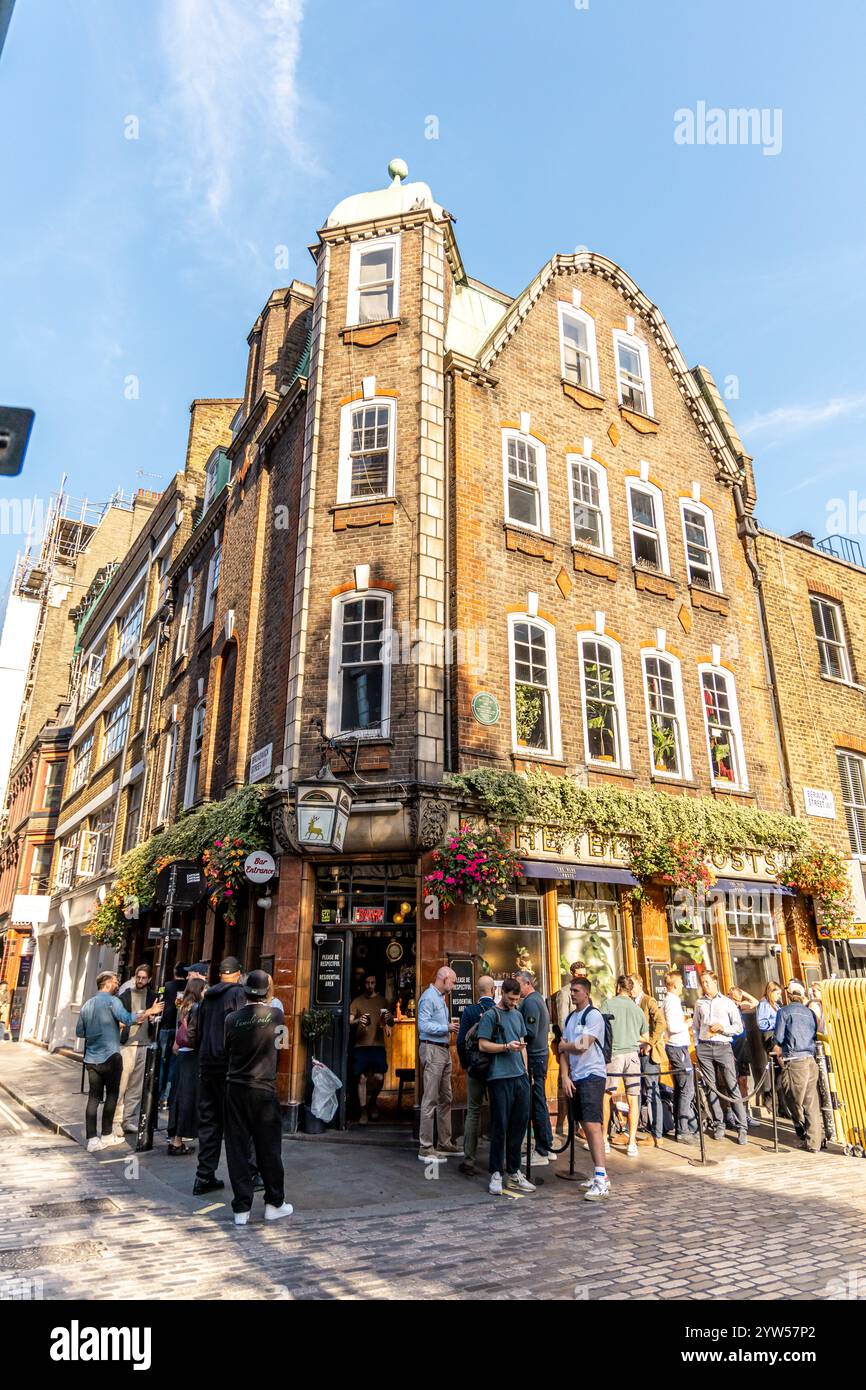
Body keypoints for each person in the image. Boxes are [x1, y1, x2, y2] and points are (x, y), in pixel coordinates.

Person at [223, 969, 293, 1226]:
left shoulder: (231, 1019)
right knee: (269, 1147)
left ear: (245, 991)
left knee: (237, 1147)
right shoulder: (276, 1015)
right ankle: (274, 1203)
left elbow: (226, 1050)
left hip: (236, 1087)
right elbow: (283, 1047)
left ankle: (241, 1208)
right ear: (267, 991)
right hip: (264, 1088)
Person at [75, 971, 161, 1152]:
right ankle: (106, 1135)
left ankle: (92, 1139)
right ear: (106, 983)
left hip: (91, 1058)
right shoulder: (113, 1002)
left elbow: (80, 1032)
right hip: (111, 1056)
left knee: (93, 1098)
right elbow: (129, 1019)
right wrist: (151, 1011)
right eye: (115, 982)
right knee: (112, 1096)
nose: (117, 984)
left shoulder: (87, 1005)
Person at [193, 956, 247, 1195]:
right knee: (237, 1125)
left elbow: (199, 1031)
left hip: (207, 1066)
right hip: (229, 1067)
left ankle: (204, 1176)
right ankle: (247, 1178)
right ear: (238, 974)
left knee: (209, 1122)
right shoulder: (238, 995)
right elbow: (242, 1031)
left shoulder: (207, 998)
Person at [477, 977, 535, 1195]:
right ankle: (495, 1173)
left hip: (519, 1076)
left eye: (516, 999)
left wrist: (526, 1073)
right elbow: (483, 1045)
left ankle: (514, 1171)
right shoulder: (492, 1015)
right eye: (511, 999)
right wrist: (504, 1047)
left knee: (519, 1126)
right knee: (499, 1126)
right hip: (499, 1077)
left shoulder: (518, 1014)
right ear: (502, 994)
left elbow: (523, 1046)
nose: (513, 1002)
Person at [558, 975, 610, 1201]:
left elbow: (582, 1045)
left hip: (592, 1075)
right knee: (584, 1126)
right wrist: (564, 1076)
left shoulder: (594, 1015)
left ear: (587, 993)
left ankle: (602, 1177)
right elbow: (564, 1051)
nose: (572, 994)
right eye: (571, 990)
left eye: (576, 991)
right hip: (576, 1076)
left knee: (592, 1124)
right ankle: (597, 1174)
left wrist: (565, 1045)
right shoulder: (571, 1018)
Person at [692, 972, 748, 1144]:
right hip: (705, 1047)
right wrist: (697, 1045)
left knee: (732, 1085)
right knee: (711, 1087)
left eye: (707, 982)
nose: (705, 985)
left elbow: (738, 1027)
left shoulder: (727, 1002)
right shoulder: (699, 1002)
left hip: (723, 1046)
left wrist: (723, 1028)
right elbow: (695, 1026)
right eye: (702, 982)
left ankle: (742, 1127)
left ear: (715, 981)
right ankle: (718, 1124)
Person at [416, 966, 460, 1162]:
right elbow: (422, 1026)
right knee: (430, 1098)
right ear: (445, 978)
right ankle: (425, 1147)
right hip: (432, 1049)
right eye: (454, 981)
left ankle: (444, 1142)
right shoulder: (428, 997)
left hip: (442, 1049)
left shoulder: (440, 998)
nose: (455, 985)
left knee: (446, 1097)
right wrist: (446, 1027)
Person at [773, 980, 823, 1152]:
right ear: (802, 996)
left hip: (795, 1061)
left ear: (789, 995)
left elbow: (778, 1038)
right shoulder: (810, 1013)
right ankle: (814, 1142)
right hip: (810, 1059)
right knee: (811, 1102)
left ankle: (803, 1133)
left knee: (791, 1099)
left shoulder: (784, 1012)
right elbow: (816, 1035)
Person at [602, 976, 648, 1158]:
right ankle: (631, 1143)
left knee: (606, 1096)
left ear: (618, 987)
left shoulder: (608, 1004)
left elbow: (600, 1029)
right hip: (633, 1055)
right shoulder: (637, 1009)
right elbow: (645, 1036)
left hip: (614, 1053)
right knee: (633, 1098)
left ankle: (604, 1140)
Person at [455, 974, 496, 1176]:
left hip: (476, 1067)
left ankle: (469, 1160)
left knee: (473, 1112)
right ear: (493, 990)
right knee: (499, 1112)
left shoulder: (470, 1011)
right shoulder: (499, 1010)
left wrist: (466, 1064)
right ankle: (497, 1160)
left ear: (477, 991)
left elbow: (461, 1041)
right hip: (497, 1069)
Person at [515, 969, 554, 1165]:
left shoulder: (530, 1002)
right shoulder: (537, 999)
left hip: (535, 1057)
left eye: (518, 985)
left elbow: (529, 1031)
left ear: (527, 983)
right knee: (539, 1100)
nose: (516, 989)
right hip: (540, 1056)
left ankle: (541, 1150)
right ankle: (547, 1143)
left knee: (536, 1101)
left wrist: (514, 1029)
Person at [115, 963, 158, 1135]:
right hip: (128, 1044)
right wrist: (149, 1012)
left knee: (136, 1087)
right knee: (122, 1085)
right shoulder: (125, 996)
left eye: (143, 978)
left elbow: (156, 1016)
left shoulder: (153, 996)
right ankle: (115, 1121)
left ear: (149, 979)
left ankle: (128, 1120)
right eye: (138, 977)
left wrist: (154, 1019)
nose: (140, 980)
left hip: (144, 1043)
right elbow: (120, 1019)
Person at [167, 978, 205, 1156]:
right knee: (187, 1097)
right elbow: (195, 1034)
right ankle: (177, 1140)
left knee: (178, 1095)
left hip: (182, 1053)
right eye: (204, 989)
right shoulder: (197, 1007)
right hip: (191, 1055)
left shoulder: (183, 1006)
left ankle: (175, 1137)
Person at [348, 973, 392, 1125]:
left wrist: (387, 1026)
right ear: (364, 984)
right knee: (362, 1078)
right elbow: (349, 1021)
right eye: (367, 983)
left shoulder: (383, 1001)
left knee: (379, 1077)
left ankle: (373, 1102)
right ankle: (363, 1111)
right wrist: (358, 1020)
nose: (370, 986)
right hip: (361, 1045)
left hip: (378, 1045)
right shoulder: (357, 1001)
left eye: (372, 983)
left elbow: (387, 1020)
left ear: (376, 983)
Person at [628, 974, 667, 1141]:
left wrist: (650, 1043)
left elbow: (660, 1023)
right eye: (628, 985)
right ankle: (633, 1133)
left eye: (633, 985)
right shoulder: (628, 1002)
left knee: (652, 1092)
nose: (630, 988)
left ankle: (657, 1134)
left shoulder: (649, 1000)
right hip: (633, 1051)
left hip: (648, 1054)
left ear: (640, 984)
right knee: (634, 1092)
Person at [663, 972, 698, 1144]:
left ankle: (681, 1127)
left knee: (681, 1089)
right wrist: (687, 1023)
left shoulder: (672, 1001)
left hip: (679, 1047)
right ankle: (683, 1130)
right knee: (687, 1088)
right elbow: (673, 1026)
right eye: (681, 983)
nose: (683, 986)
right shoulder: (671, 1001)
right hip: (677, 1048)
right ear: (675, 985)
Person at [807, 985, 835, 1146]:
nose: (812, 994)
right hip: (820, 1055)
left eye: (815, 991)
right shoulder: (814, 1007)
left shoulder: (828, 1008)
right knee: (822, 1094)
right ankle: (827, 1130)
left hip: (830, 1055)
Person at [158, 962, 188, 1109]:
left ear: (175, 972)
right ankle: (167, 1097)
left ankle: (158, 1094)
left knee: (162, 1062)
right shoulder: (189, 987)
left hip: (165, 1027)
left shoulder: (166, 985)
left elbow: (159, 1001)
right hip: (179, 1029)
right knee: (173, 1064)